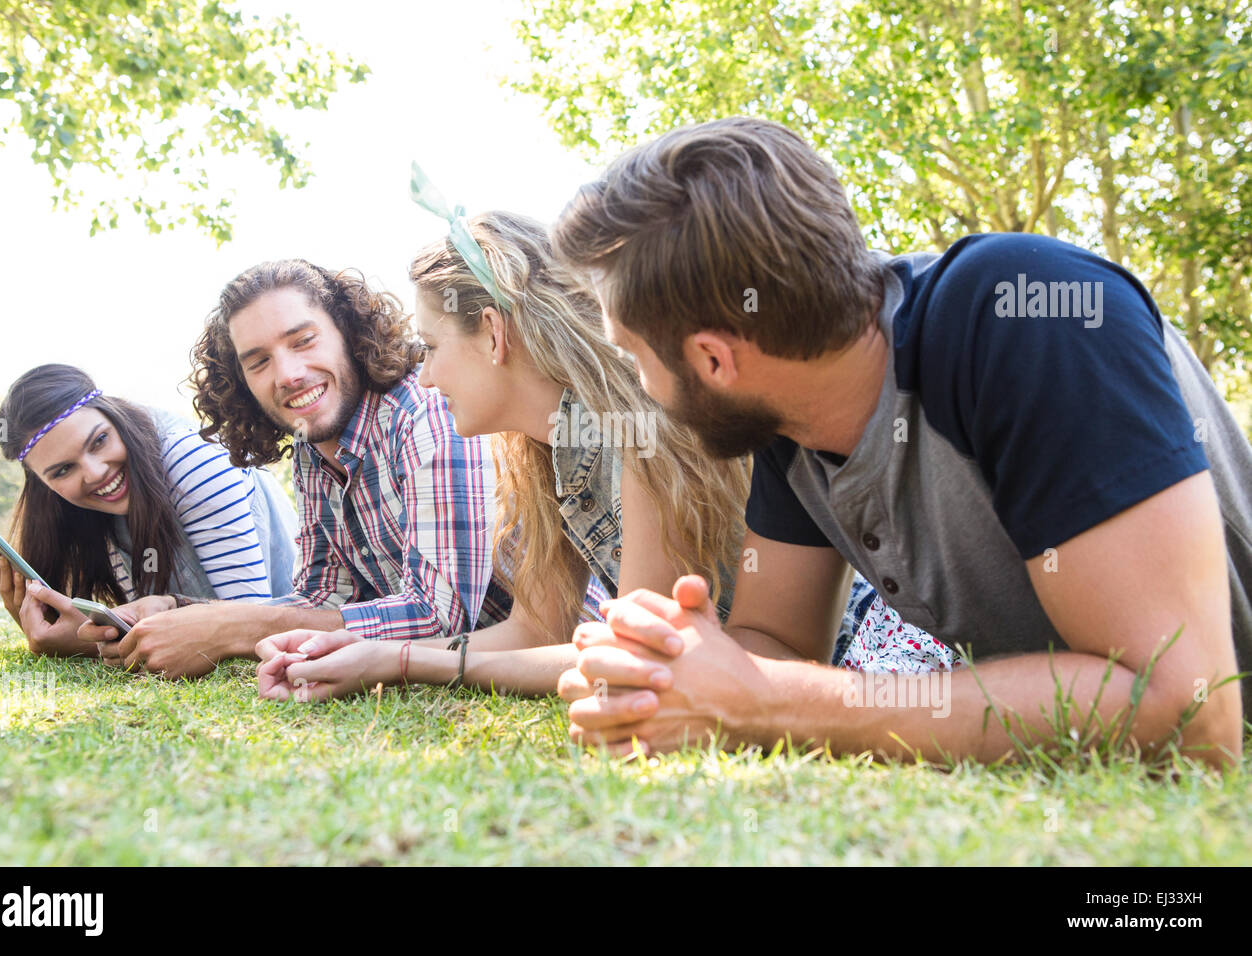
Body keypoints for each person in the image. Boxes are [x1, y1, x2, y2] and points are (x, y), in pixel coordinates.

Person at [549, 117, 1251, 768]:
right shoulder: (786, 416)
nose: (639, 384)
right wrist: (668, 669)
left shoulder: (1028, 311)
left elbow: (1187, 713)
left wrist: (764, 704)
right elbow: (777, 647)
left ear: (712, 360)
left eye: (632, 355)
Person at [256, 206, 951, 703]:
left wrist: (406, 664)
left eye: (433, 347)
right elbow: (535, 629)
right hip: (758, 675)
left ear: (494, 335)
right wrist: (370, 656)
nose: (426, 376)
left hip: (862, 660)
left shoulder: (639, 427)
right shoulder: (547, 454)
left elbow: (635, 655)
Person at [75, 260, 509, 679]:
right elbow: (322, 596)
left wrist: (231, 631)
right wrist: (179, 612)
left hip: (531, 655)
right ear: (241, 381)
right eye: (259, 361)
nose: (288, 374)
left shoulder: (426, 414)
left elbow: (443, 616)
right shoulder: (310, 447)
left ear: (349, 333)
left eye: (303, 341)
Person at [0, 363, 297, 659]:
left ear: (113, 416)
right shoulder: (98, 504)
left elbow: (250, 626)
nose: (96, 473)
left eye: (99, 441)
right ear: (44, 486)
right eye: (62, 470)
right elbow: (155, 628)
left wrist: (85, 644)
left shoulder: (192, 462)